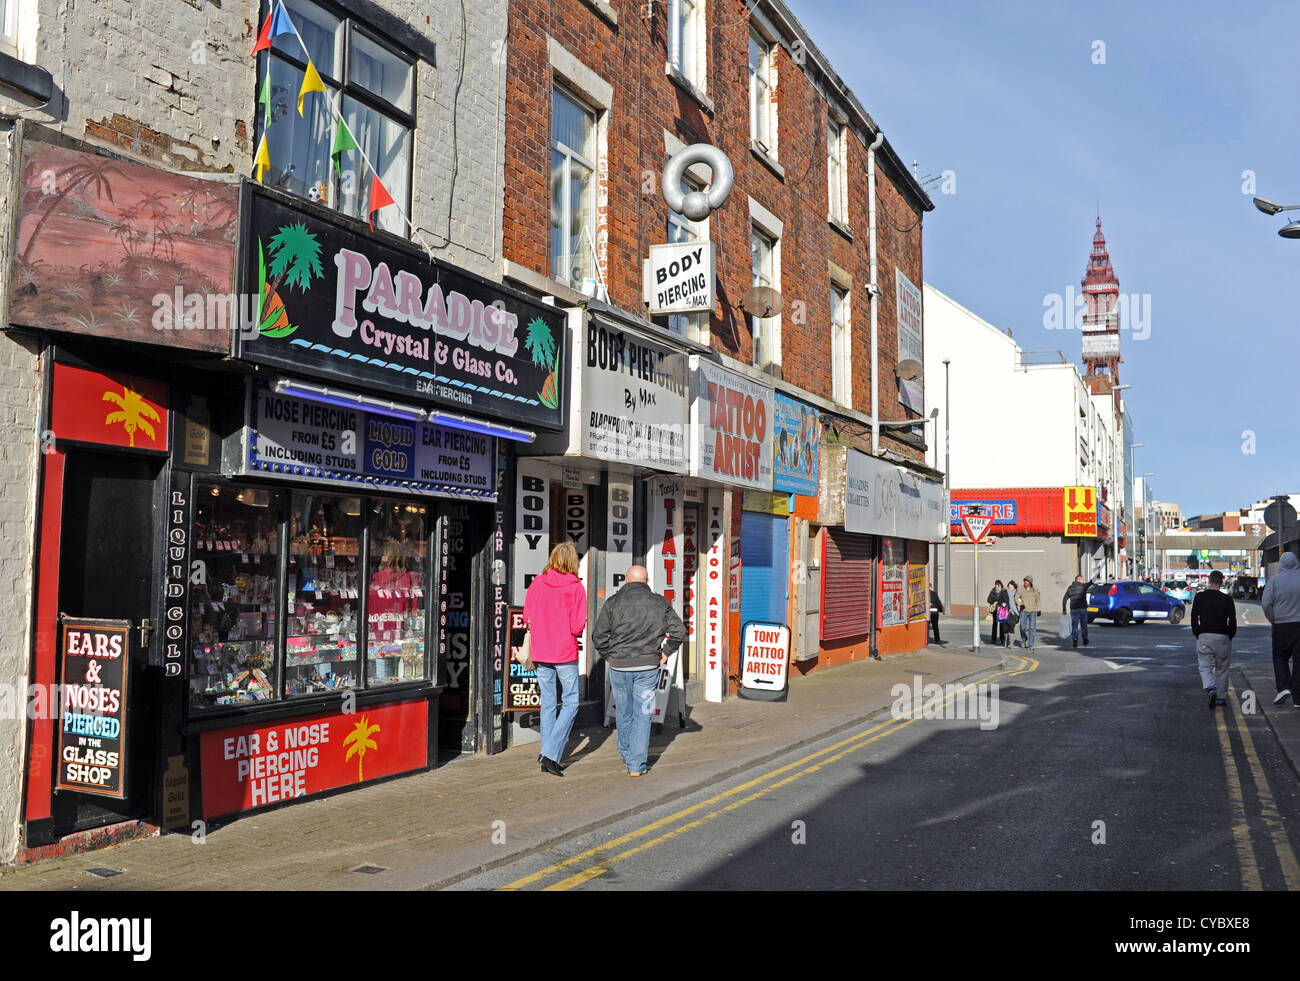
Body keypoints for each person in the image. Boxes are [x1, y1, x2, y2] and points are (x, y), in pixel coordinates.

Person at [591, 565, 685, 777]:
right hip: (647, 666)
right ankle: (636, 765)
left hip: (619, 666)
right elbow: (679, 631)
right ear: (647, 580)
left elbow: (598, 636)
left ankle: (626, 752)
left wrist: (609, 655)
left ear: (626, 579)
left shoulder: (613, 603)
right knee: (643, 714)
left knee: (623, 711)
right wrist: (665, 653)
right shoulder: (660, 603)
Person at [523, 542, 588, 776]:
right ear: (573, 561)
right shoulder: (575, 587)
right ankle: (550, 753)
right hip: (564, 652)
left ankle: (546, 755)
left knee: (548, 704)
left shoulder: (537, 583)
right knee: (571, 702)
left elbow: (526, 617)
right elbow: (577, 625)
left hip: (541, 652)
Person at [1191, 570, 1236, 710]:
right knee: (1222, 668)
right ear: (1222, 582)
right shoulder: (1227, 599)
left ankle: (1211, 688)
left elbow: (1194, 617)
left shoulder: (1200, 597)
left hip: (1204, 635)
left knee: (1204, 665)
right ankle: (1221, 698)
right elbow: (1232, 620)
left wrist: (1197, 632)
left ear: (1209, 581)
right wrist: (1230, 634)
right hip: (1222, 636)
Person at [1261, 551, 1300, 706]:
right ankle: (1298, 699)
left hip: (1281, 625)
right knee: (1299, 661)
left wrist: (1273, 619)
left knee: (1280, 657)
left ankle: (1284, 687)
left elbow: (1266, 603)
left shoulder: (1275, 580)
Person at [1062, 574, 1090, 648]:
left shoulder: (1070, 588)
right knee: (1084, 625)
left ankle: (1075, 639)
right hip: (1083, 609)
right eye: (1083, 580)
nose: (1084, 581)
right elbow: (1091, 582)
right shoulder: (1083, 586)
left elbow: (1064, 599)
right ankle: (1085, 639)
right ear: (1079, 580)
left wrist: (1064, 609)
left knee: (1074, 626)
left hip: (1074, 610)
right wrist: (1098, 573)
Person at [1017, 575, 1041, 650]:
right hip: (1024, 611)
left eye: (1027, 581)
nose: (1025, 582)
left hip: (1032, 610)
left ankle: (1031, 644)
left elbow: (1038, 599)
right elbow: (1017, 597)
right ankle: (1024, 639)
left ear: (1030, 582)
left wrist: (1039, 609)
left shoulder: (1035, 589)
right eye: (1024, 581)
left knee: (1032, 628)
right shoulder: (1021, 589)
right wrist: (1021, 604)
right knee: (1023, 627)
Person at [987, 580, 1008, 645]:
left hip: (1001, 609)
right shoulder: (993, 591)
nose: (997, 586)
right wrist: (994, 601)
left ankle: (1002, 639)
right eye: (996, 585)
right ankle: (993, 639)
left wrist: (1001, 603)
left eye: (998, 585)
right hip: (995, 610)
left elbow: (1006, 599)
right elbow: (988, 600)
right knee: (994, 624)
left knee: (1002, 624)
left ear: (1000, 585)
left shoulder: (1004, 591)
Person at [1005, 580, 1020, 648]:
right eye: (1009, 586)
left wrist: (1020, 602)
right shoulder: (1005, 593)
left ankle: (1011, 643)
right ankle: (1006, 640)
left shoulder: (1017, 593)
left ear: (1014, 587)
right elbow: (1000, 600)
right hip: (1006, 613)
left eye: (1011, 586)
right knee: (1005, 629)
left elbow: (1020, 602)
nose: (1010, 588)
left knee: (1012, 628)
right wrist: (1002, 603)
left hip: (1014, 613)